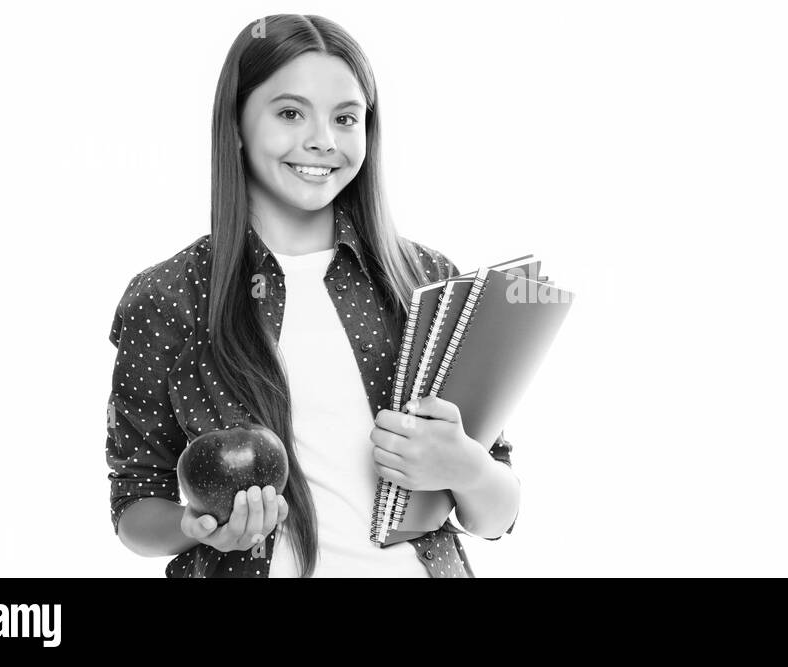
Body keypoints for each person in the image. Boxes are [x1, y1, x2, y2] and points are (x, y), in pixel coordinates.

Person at [105, 14, 519, 578]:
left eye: (345, 118)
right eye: (290, 113)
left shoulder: (429, 283)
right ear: (236, 123)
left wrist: (468, 469)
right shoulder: (168, 297)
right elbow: (134, 505)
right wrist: (197, 527)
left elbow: (498, 513)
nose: (323, 139)